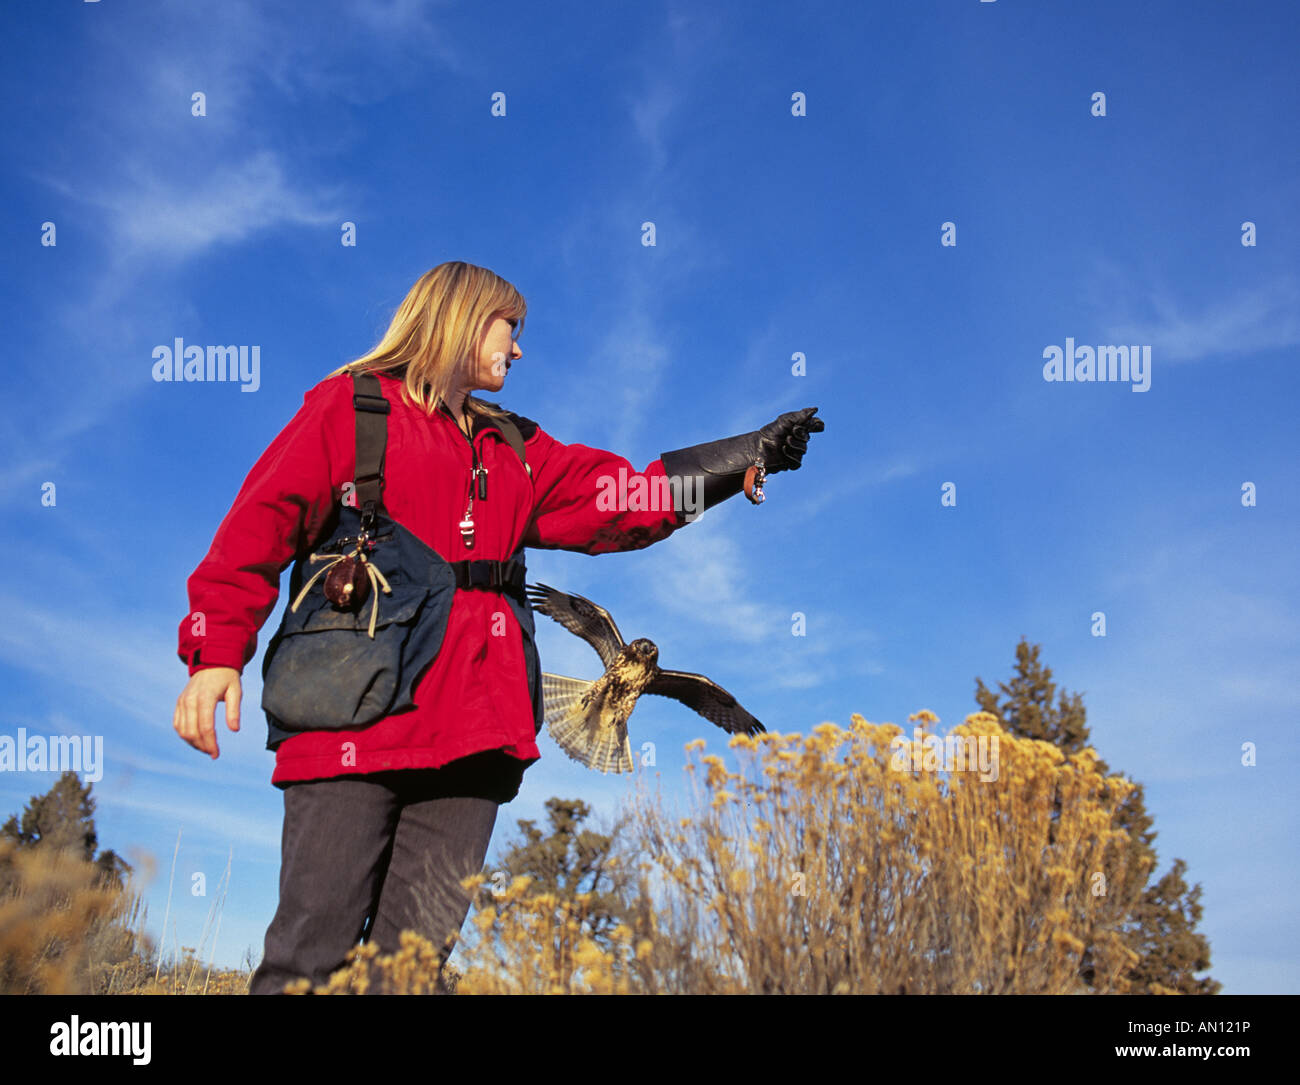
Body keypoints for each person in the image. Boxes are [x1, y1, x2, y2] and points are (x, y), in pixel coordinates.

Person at [172, 260, 823, 994]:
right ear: (458, 316)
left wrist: (739, 459)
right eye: (510, 328)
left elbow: (623, 500)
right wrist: (213, 652)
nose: (518, 349)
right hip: (351, 719)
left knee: (408, 976)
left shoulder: (516, 446)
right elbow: (255, 529)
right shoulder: (349, 411)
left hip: (476, 738)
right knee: (307, 961)